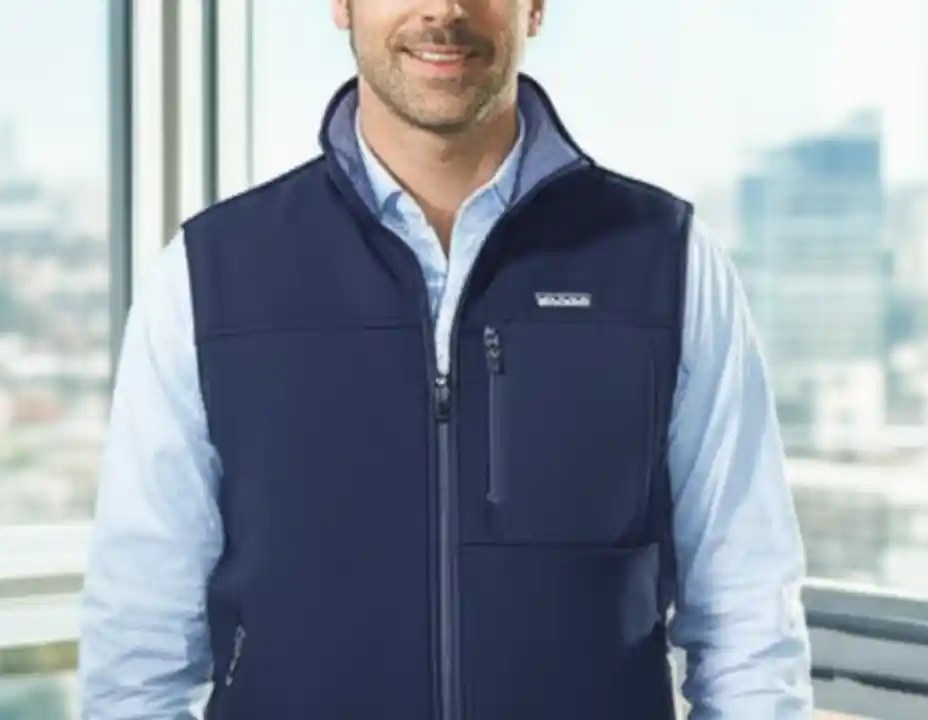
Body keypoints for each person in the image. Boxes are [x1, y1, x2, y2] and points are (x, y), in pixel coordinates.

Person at [80, 1, 813, 718]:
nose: (445, 10)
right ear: (343, 5)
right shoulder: (210, 275)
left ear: (535, 7)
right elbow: (138, 648)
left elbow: (747, 614)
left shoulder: (667, 261)